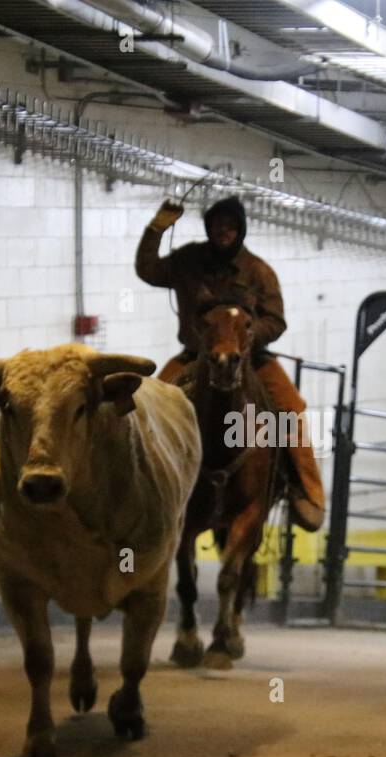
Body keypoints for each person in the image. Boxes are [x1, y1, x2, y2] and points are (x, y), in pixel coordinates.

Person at [135, 195, 325, 532]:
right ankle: (142, 486)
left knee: (290, 408)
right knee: (150, 405)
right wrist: (157, 228)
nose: (223, 231)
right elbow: (147, 270)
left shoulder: (258, 272)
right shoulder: (187, 260)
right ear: (209, 228)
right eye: (217, 225)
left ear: (240, 230)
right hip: (195, 357)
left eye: (230, 226)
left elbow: (276, 321)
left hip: (250, 358)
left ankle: (305, 490)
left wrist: (244, 340)